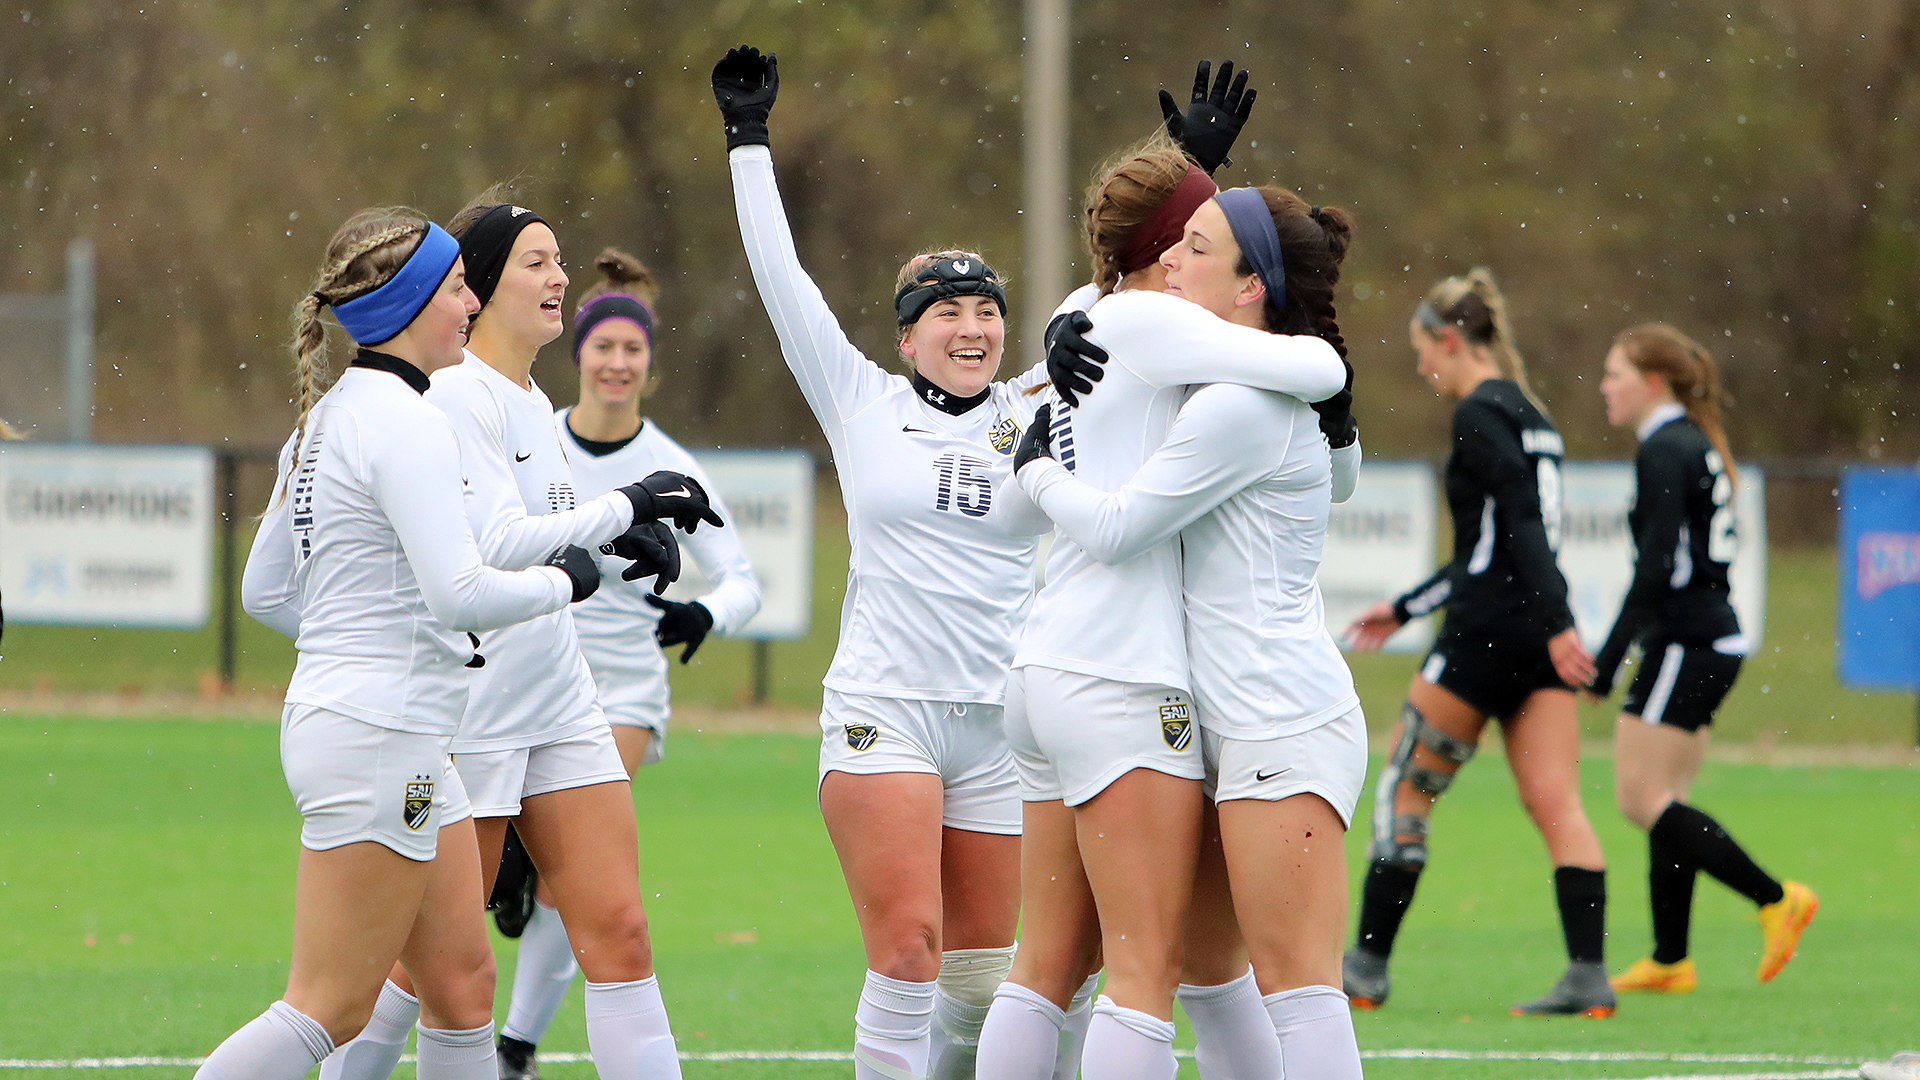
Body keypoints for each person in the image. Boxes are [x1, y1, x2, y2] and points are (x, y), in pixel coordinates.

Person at [717, 43, 1053, 1080]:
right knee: (909, 949)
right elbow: (780, 277)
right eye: (947, 312)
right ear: (908, 339)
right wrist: (747, 144)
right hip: (886, 707)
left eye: (986, 309)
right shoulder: (860, 399)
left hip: (999, 721)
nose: (972, 326)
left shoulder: (1040, 404)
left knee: (988, 975)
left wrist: (1189, 173)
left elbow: (1128, 292)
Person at [984, 146, 1349, 1080]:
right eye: (1175, 240)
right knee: (1186, 973)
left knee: (1276, 988)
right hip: (1170, 701)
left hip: (1271, 716)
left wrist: (1034, 460)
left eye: (1199, 248)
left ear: (1249, 288)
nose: (1174, 265)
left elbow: (1107, 520)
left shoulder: (1232, 399)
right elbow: (1324, 419)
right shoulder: (1180, 357)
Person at [208, 207, 595, 1080]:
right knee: (328, 1007)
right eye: (459, 286)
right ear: (415, 304)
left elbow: (264, 592)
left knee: (461, 986)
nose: (472, 303)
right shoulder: (408, 421)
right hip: (381, 737)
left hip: (379, 729)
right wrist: (569, 579)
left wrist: (362, 654)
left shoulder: (337, 412)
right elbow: (460, 593)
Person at [493, 248, 763, 1080]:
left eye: (632, 350)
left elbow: (745, 578)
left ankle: (513, 1050)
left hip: (624, 694)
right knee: (513, 874)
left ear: (649, 362)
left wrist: (703, 613)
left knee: (576, 877)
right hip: (520, 680)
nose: (616, 363)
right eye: (603, 348)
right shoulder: (533, 443)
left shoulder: (672, 466)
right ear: (579, 353)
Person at [1341, 267, 1615, 1017]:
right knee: (1559, 803)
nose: (1423, 367)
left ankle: (1363, 969)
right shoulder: (1534, 413)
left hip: (1488, 634)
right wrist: (1405, 607)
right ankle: (1589, 975)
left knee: (1405, 786)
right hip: (1531, 634)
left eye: (1424, 351)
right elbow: (1499, 542)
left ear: (1452, 340)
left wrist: (1557, 625)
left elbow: (1517, 527)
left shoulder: (1479, 413)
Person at [1589, 323, 1816, 993]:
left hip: (1686, 642)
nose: (1604, 386)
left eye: (1615, 374)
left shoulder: (1665, 448)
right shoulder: (1692, 442)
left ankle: (1777, 898)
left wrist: (1606, 661)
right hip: (1712, 639)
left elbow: (1656, 567)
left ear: (1652, 383)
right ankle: (1670, 958)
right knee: (1668, 799)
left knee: (1640, 798)